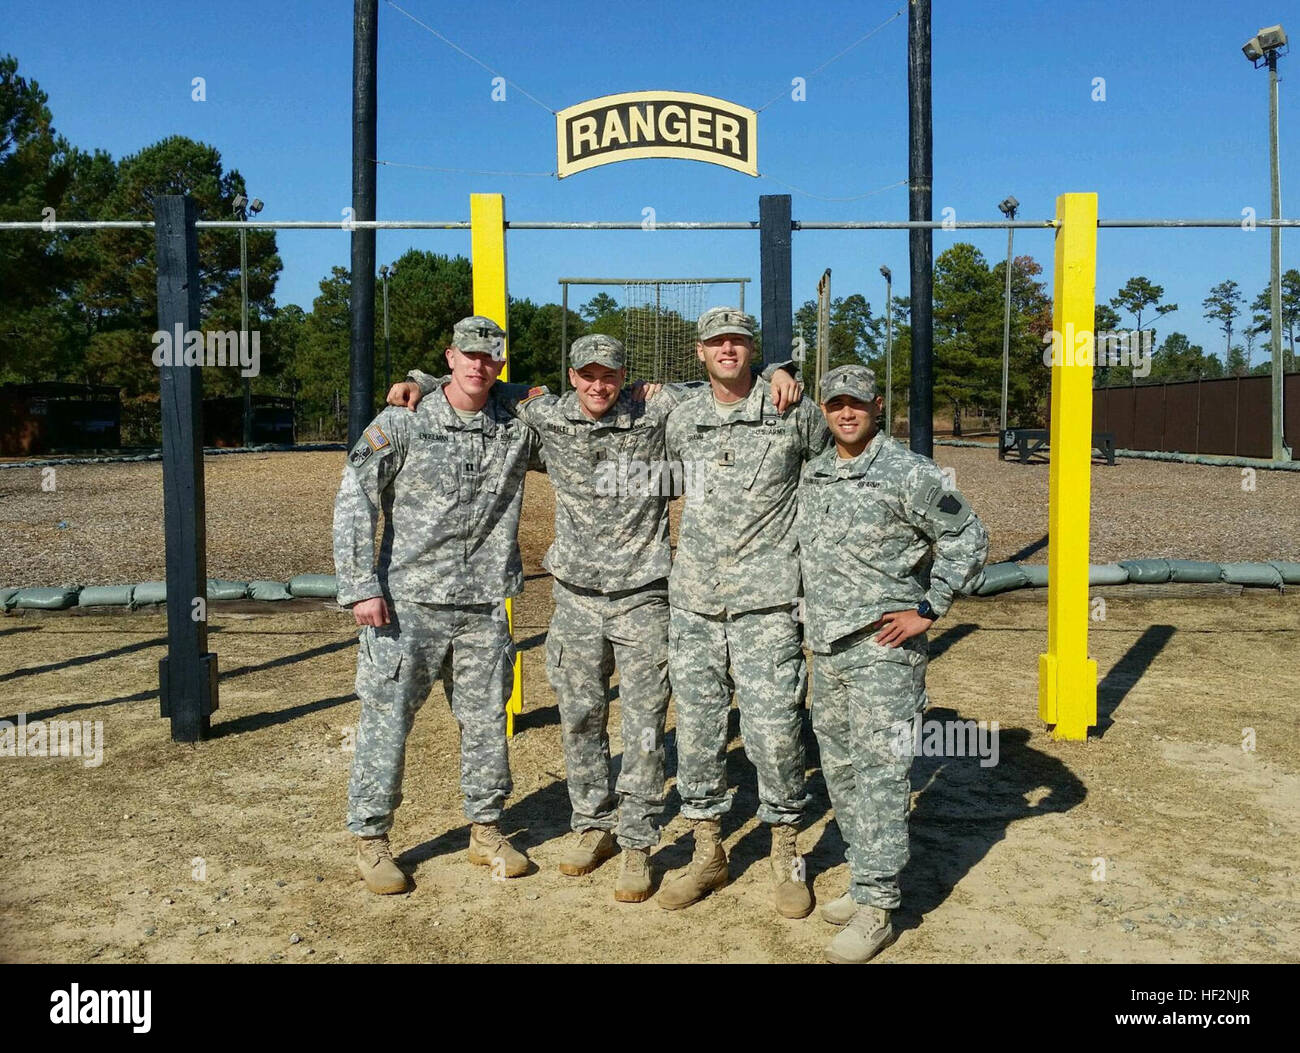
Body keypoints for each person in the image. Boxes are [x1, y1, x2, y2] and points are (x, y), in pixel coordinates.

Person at [387, 334, 802, 902]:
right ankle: (592, 825)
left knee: (643, 725)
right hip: (575, 598)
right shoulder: (547, 413)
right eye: (587, 375)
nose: (598, 385)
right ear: (572, 376)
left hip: (643, 596)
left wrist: (781, 366)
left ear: (625, 375)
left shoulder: (658, 406)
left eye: (609, 375)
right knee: (580, 718)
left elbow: (728, 384)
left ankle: (637, 842)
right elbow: (482, 385)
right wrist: (425, 380)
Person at [334, 315, 542, 895]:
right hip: (406, 605)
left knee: (484, 723)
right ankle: (371, 839)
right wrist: (361, 586)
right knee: (387, 722)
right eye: (470, 355)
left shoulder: (516, 425)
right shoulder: (403, 421)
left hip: (482, 607)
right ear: (450, 357)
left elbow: (586, 412)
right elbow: (355, 498)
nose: (480, 365)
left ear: (501, 364)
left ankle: (486, 827)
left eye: (491, 357)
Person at [797, 363, 988, 962]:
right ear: (824, 412)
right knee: (843, 770)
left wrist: (929, 609)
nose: (845, 413)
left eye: (856, 403)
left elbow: (968, 536)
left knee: (881, 777)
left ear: (877, 406)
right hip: (827, 647)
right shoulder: (818, 471)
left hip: (884, 650)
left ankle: (880, 906)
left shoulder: (909, 473)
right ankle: (862, 880)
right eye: (834, 405)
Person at [657, 306, 830, 919]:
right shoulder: (682, 419)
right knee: (699, 735)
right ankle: (707, 851)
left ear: (754, 350)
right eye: (716, 343)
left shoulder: (793, 411)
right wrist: (428, 383)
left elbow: (833, 470)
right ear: (700, 353)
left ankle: (787, 850)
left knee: (776, 733)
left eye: (738, 342)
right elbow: (597, 401)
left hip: (768, 603)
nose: (727, 350)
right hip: (697, 603)